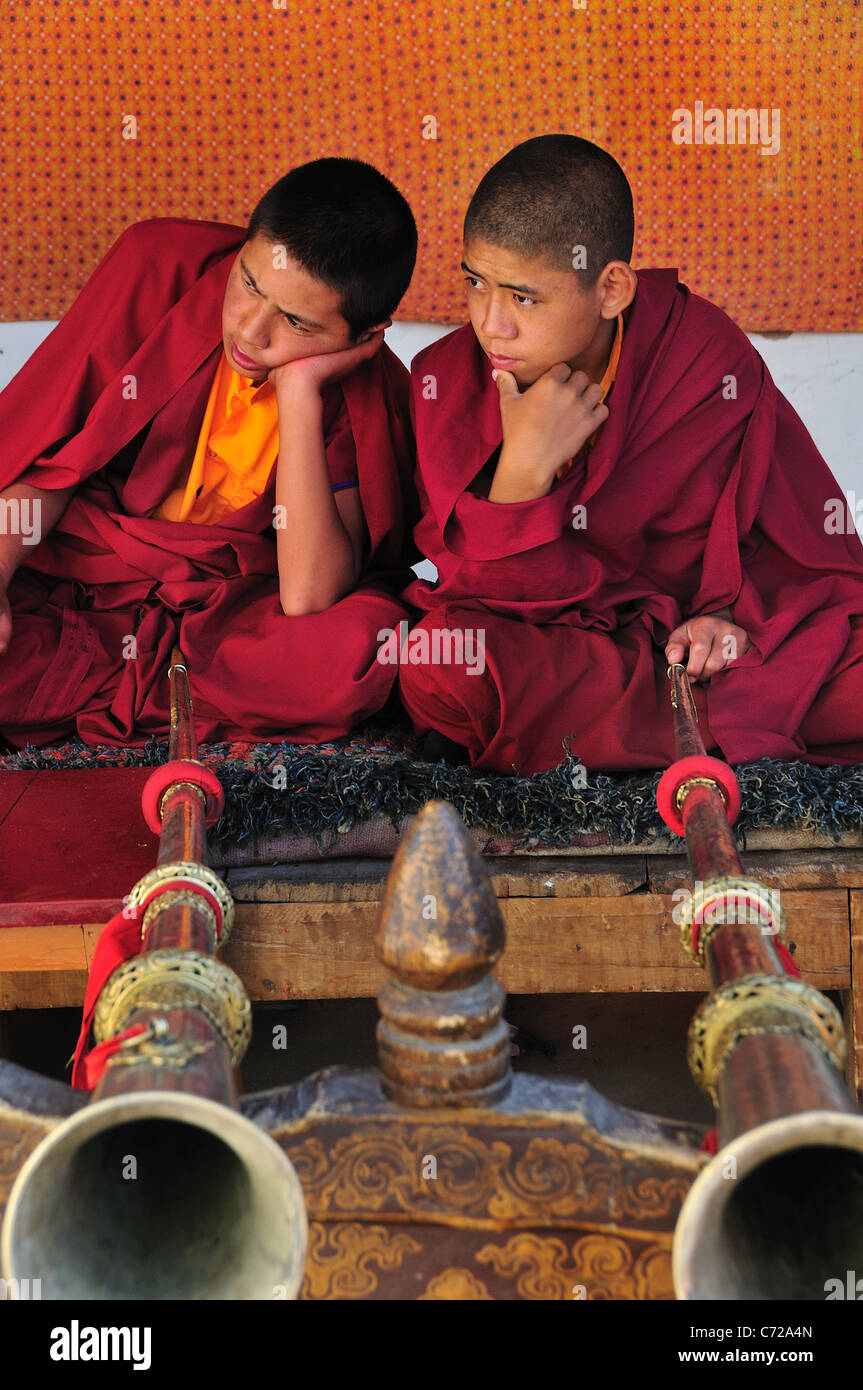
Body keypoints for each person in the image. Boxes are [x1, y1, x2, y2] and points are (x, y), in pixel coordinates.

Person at [397, 134, 863, 775]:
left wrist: (721, 616)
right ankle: (700, 728)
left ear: (612, 288)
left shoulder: (702, 357)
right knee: (440, 663)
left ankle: (651, 725)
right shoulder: (447, 379)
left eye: (523, 297)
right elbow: (475, 596)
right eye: (476, 284)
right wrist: (523, 470)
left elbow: (796, 549)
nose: (490, 324)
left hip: (698, 656)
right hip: (567, 654)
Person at [0, 158, 418, 748]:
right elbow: (54, 456)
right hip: (83, 584)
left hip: (230, 619)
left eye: (296, 322)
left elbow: (307, 596)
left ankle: (97, 694)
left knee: (360, 646)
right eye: (249, 283)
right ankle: (165, 704)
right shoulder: (162, 267)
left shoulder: (368, 397)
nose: (251, 331)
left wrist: (300, 394)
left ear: (366, 336)